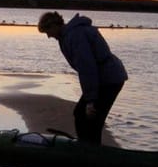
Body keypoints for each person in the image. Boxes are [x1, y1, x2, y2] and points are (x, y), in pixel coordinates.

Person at [38, 11, 128, 144]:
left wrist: (90, 100)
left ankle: (88, 150)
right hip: (104, 77)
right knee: (83, 115)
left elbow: (87, 68)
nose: (48, 36)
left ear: (55, 25)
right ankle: (87, 146)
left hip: (110, 78)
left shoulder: (75, 36)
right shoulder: (67, 36)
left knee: (89, 117)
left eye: (48, 31)